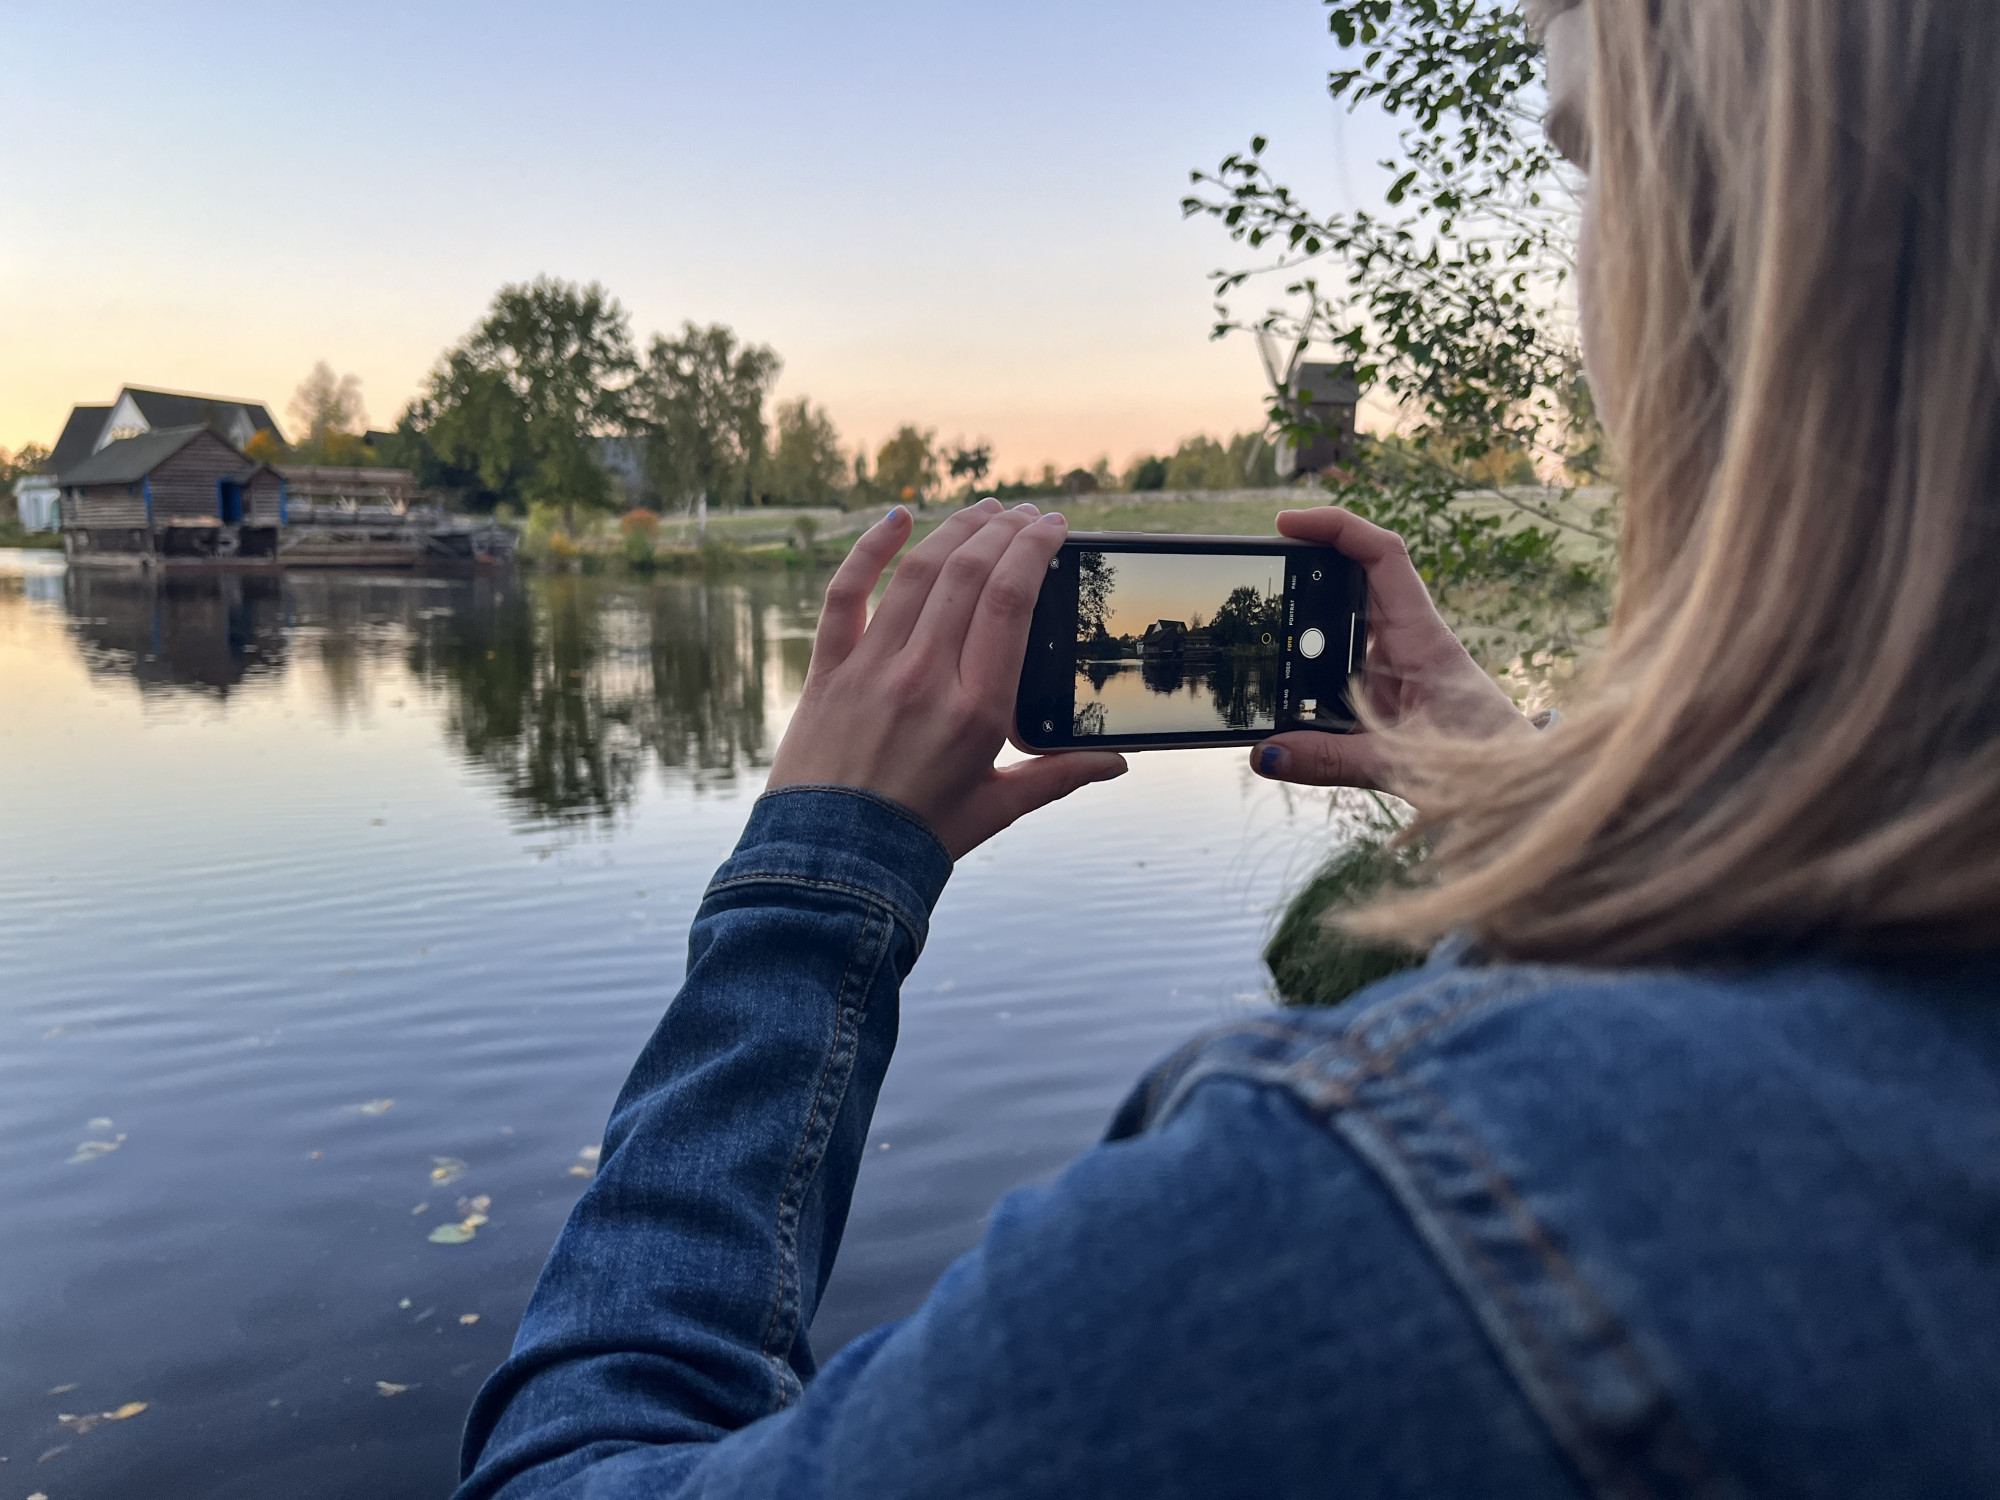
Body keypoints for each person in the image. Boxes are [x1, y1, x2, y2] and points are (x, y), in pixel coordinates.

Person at [458, 2, 2000, 1494]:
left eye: (1594, 160)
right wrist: (1530, 797)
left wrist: (814, 879)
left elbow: (568, 1474)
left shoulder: (1372, 1205)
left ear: (1767, 244)